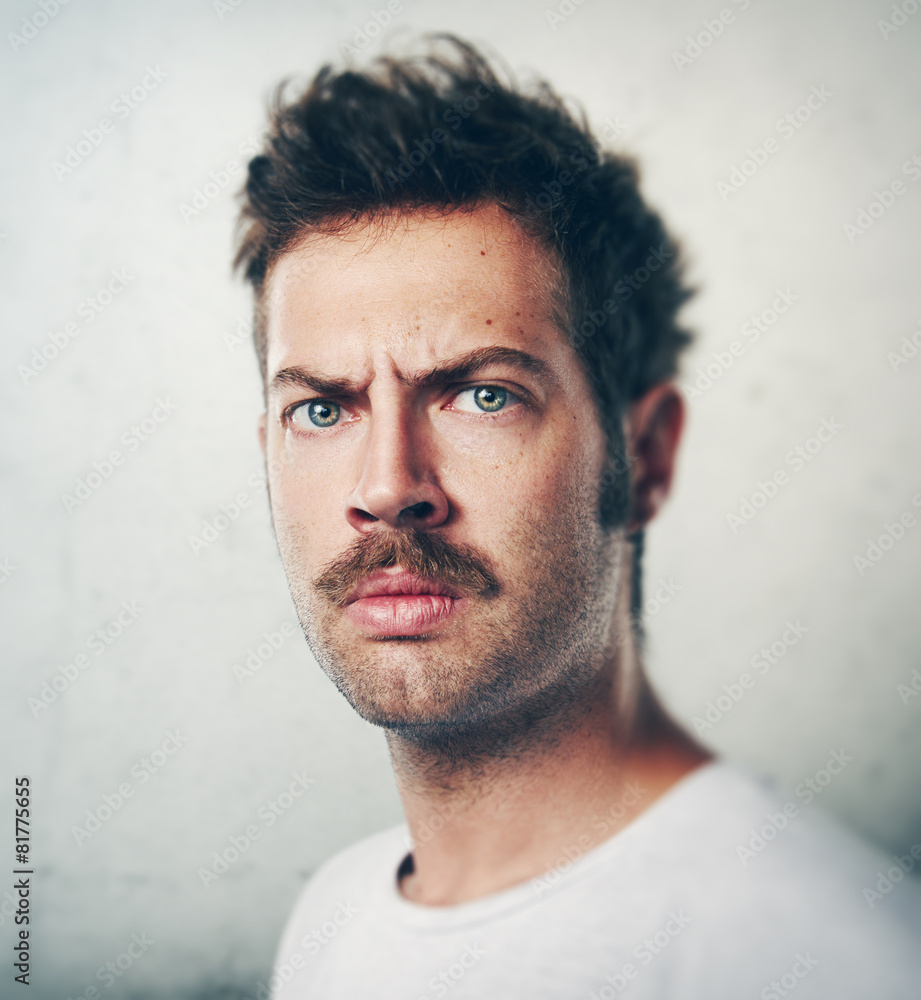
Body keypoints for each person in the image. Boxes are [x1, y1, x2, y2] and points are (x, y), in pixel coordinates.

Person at [232, 33, 920, 999]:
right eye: (322, 408)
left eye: (480, 395)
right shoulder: (332, 922)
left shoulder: (824, 955)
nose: (387, 485)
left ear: (644, 457)